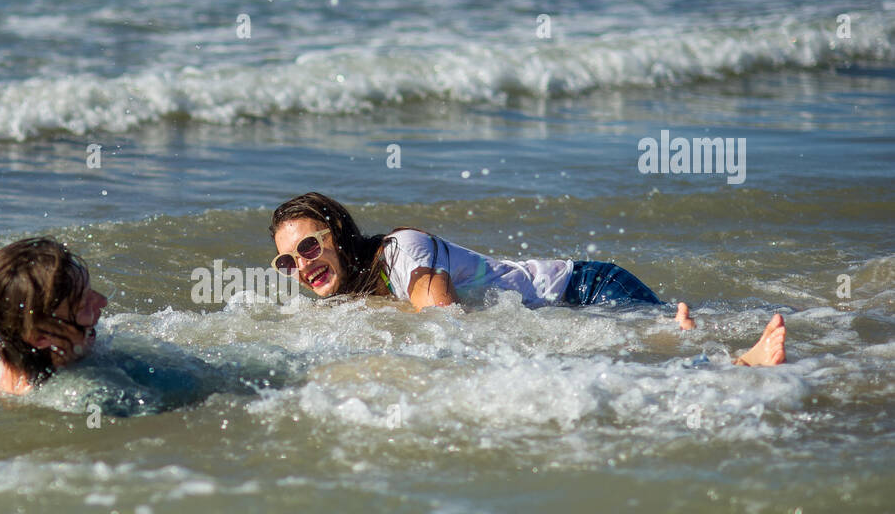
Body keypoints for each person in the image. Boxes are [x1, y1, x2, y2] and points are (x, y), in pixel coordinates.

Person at [268, 192, 786, 367]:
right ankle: (738, 360)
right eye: (288, 261)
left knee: (658, 347)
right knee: (631, 362)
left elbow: (443, 318)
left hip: (588, 289)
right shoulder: (346, 296)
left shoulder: (402, 250)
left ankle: (739, 359)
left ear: (339, 234)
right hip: (564, 311)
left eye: (309, 246)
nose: (303, 264)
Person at [0, 237, 109, 395]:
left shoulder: (2, 360)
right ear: (40, 338)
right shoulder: (71, 393)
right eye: (83, 304)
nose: (102, 301)